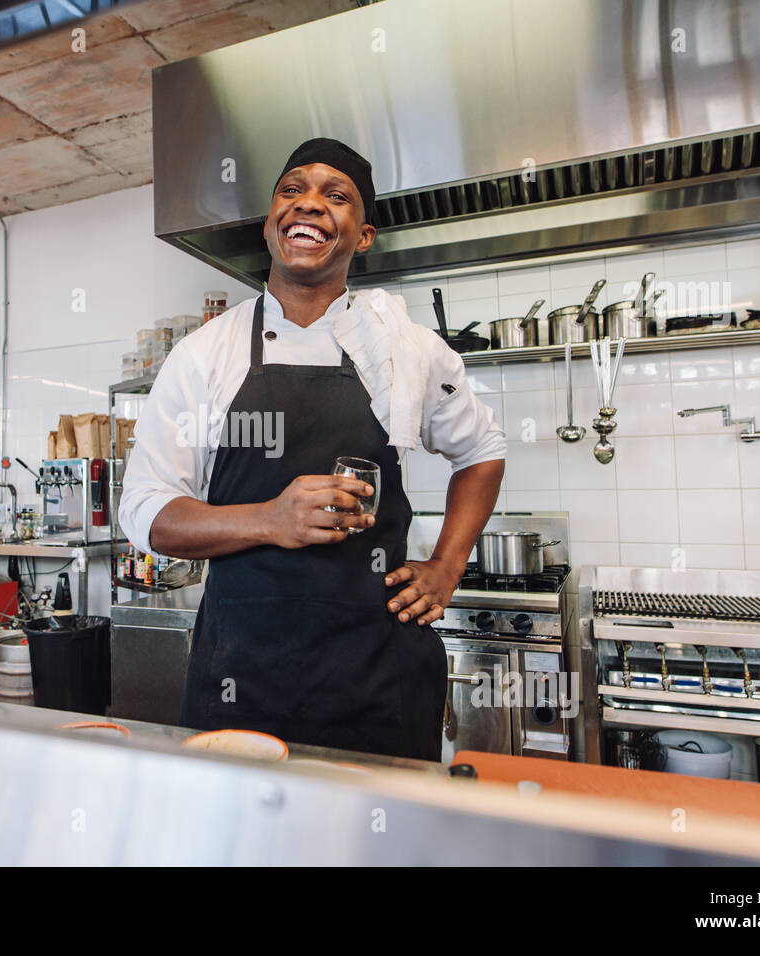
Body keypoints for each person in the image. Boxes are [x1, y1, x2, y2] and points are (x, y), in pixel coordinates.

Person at [119, 137, 505, 760]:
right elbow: (144, 512)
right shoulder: (204, 355)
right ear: (272, 223)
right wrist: (270, 519)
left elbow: (483, 449)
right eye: (292, 190)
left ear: (363, 235)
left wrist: (448, 566)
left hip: (379, 672)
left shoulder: (404, 349)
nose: (310, 205)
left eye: (337, 195)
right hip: (243, 672)